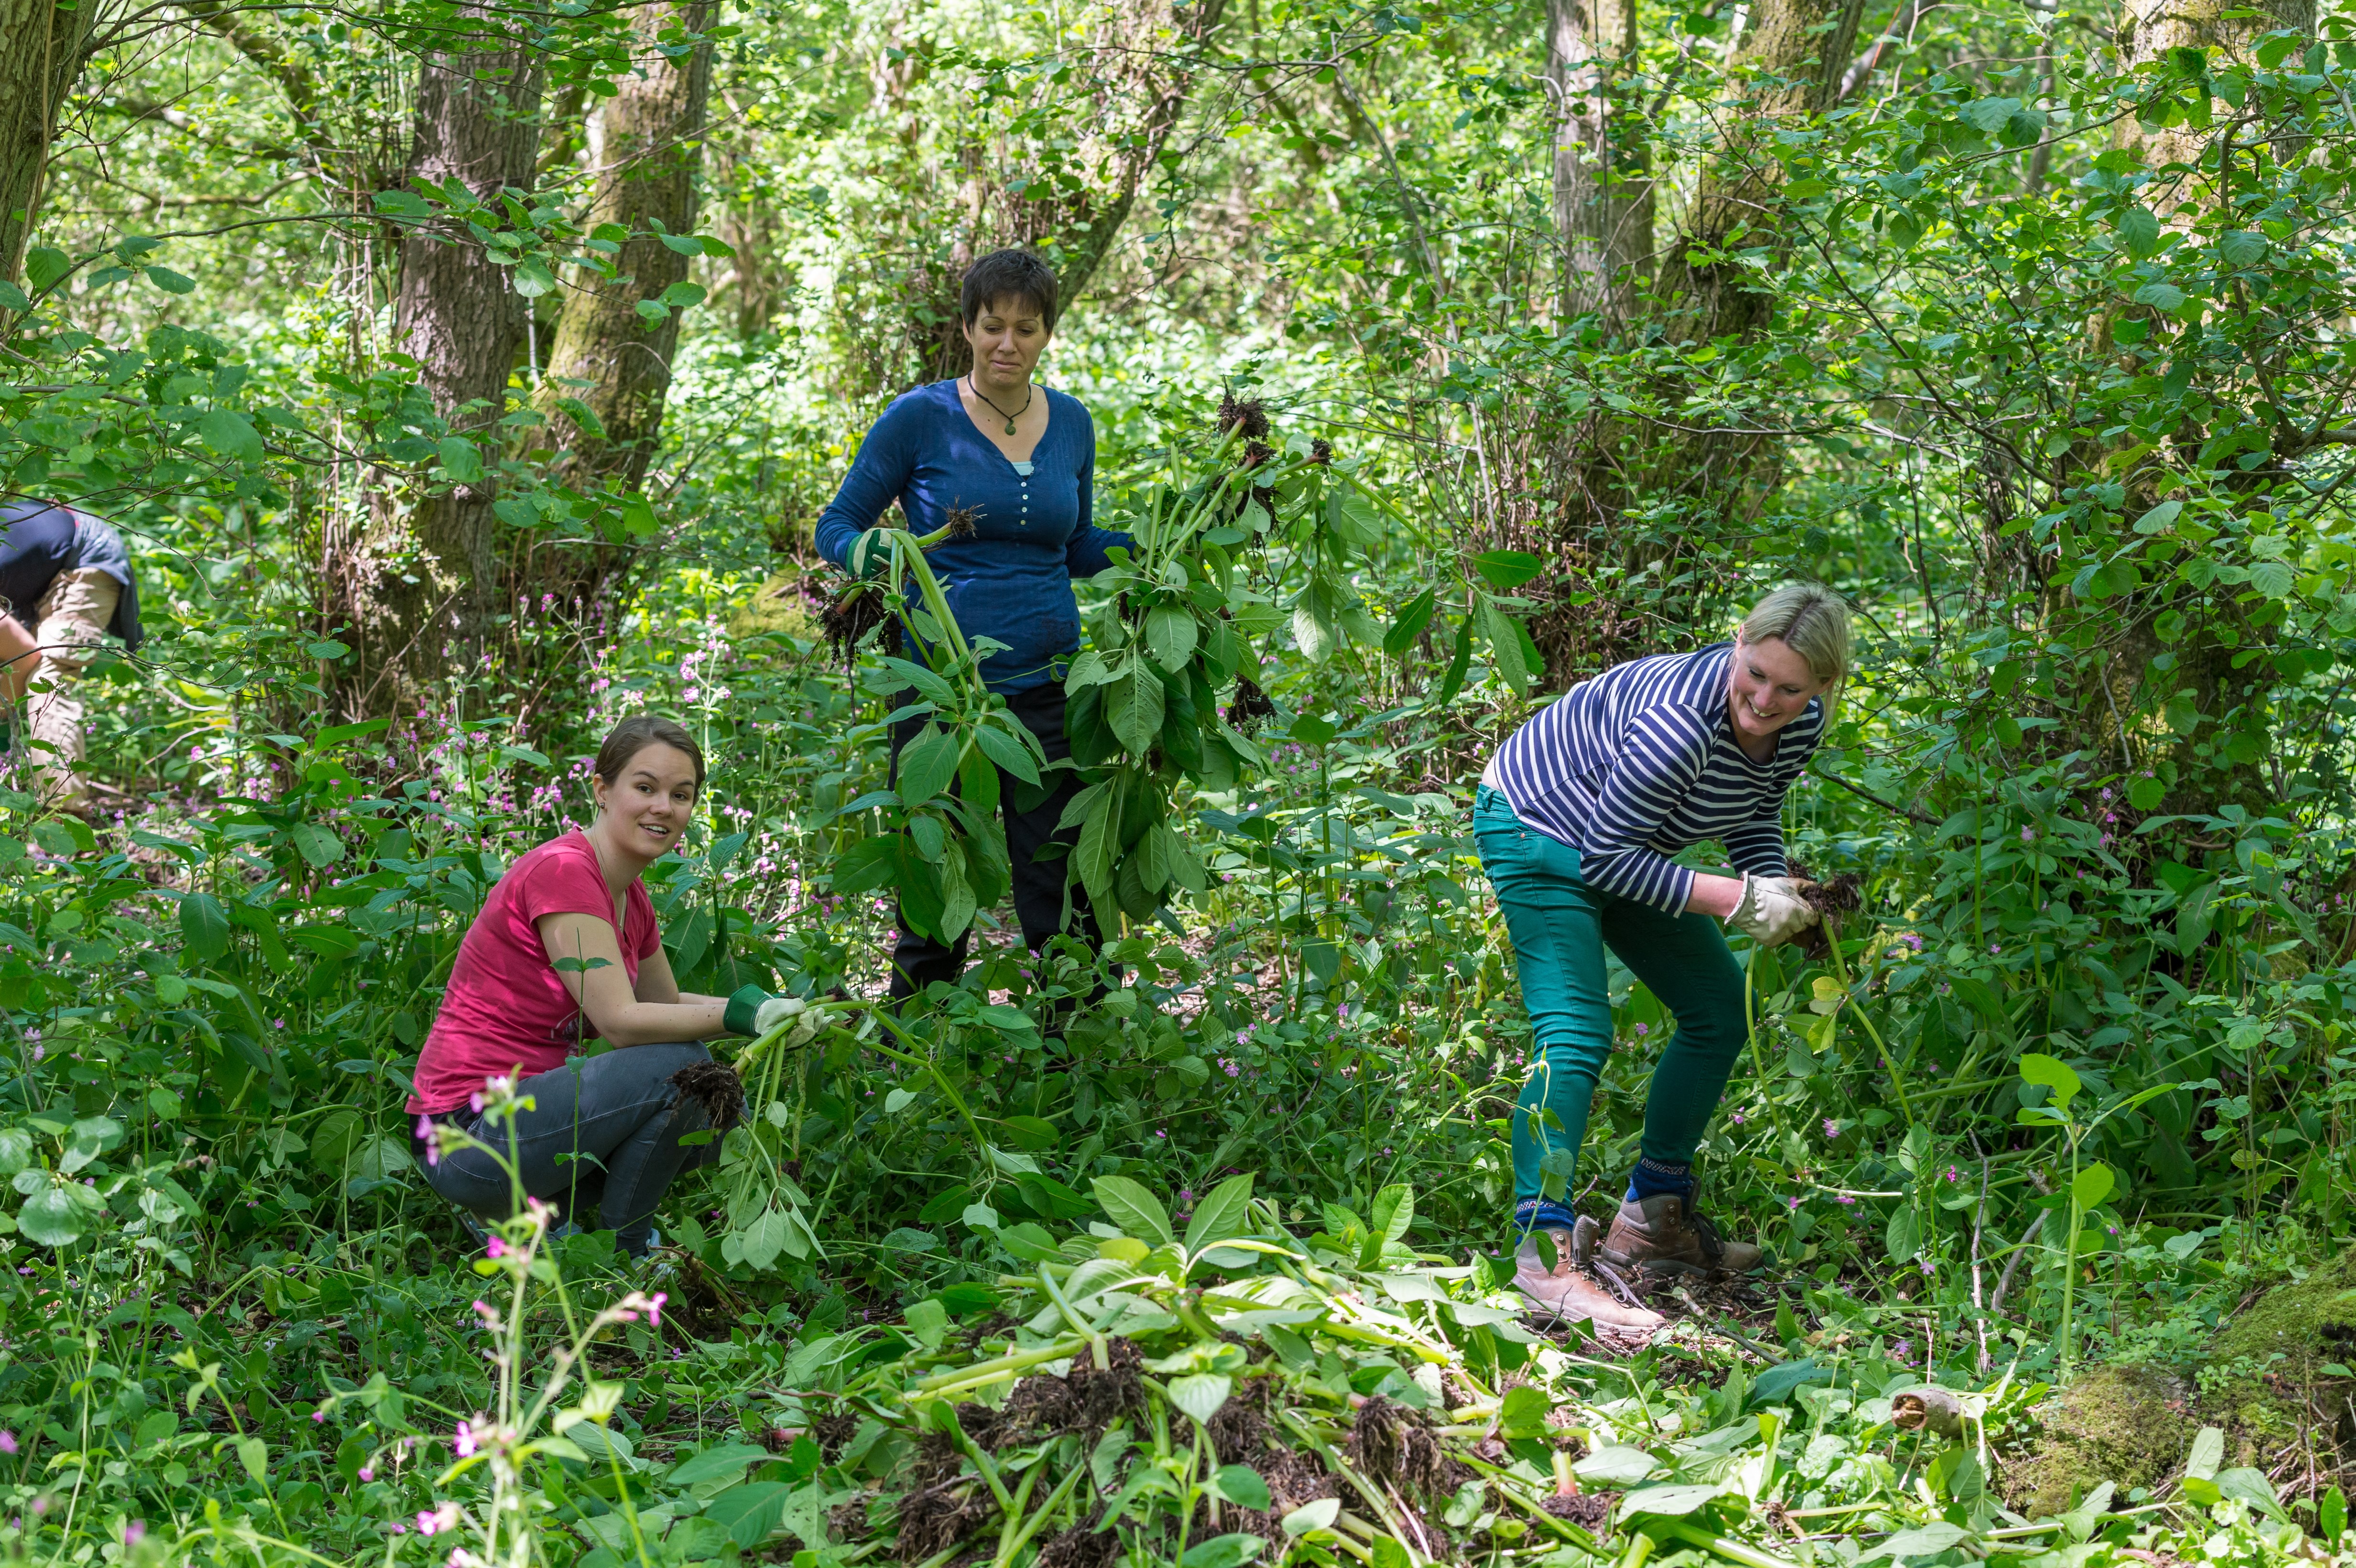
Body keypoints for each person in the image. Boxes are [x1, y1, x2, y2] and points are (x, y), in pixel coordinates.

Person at [1475, 584, 1850, 1332]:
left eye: (1789, 689)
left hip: (1623, 844)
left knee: (1720, 1009)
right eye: (1755, 675)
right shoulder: (1679, 724)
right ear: (1738, 644)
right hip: (1537, 829)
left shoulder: (1798, 727)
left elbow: (1752, 809)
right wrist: (1736, 899)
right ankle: (1540, 1258)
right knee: (1576, 1032)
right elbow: (1604, 862)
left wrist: (1774, 886)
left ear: (1822, 687)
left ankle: (1652, 1220)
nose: (1765, 701)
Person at [812, 249, 1133, 998]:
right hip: (943, 693)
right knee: (936, 874)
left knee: (1061, 878)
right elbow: (837, 525)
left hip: (1051, 683)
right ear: (967, 327)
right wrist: (881, 553)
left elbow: (1076, 545)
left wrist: (1152, 548)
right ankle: (923, 1030)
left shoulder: (1072, 423)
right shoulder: (921, 419)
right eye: (993, 326)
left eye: (1026, 328)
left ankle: (1074, 1037)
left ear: (1048, 333)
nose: (1007, 344)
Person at [407, 715, 818, 1257]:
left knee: (725, 1117)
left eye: (681, 795)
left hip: (526, 1122)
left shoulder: (630, 895)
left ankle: (538, 1223)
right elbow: (621, 1022)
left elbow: (664, 1005)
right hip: (463, 1135)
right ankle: (624, 1254)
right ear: (602, 790)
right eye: (645, 788)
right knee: (686, 1070)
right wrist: (743, 1015)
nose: (663, 807)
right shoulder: (563, 872)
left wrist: (770, 1008)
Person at [0, 498, 144, 818]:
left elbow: (25, 657)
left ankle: (63, 817)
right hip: (41, 568)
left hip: (83, 553)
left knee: (48, 679)